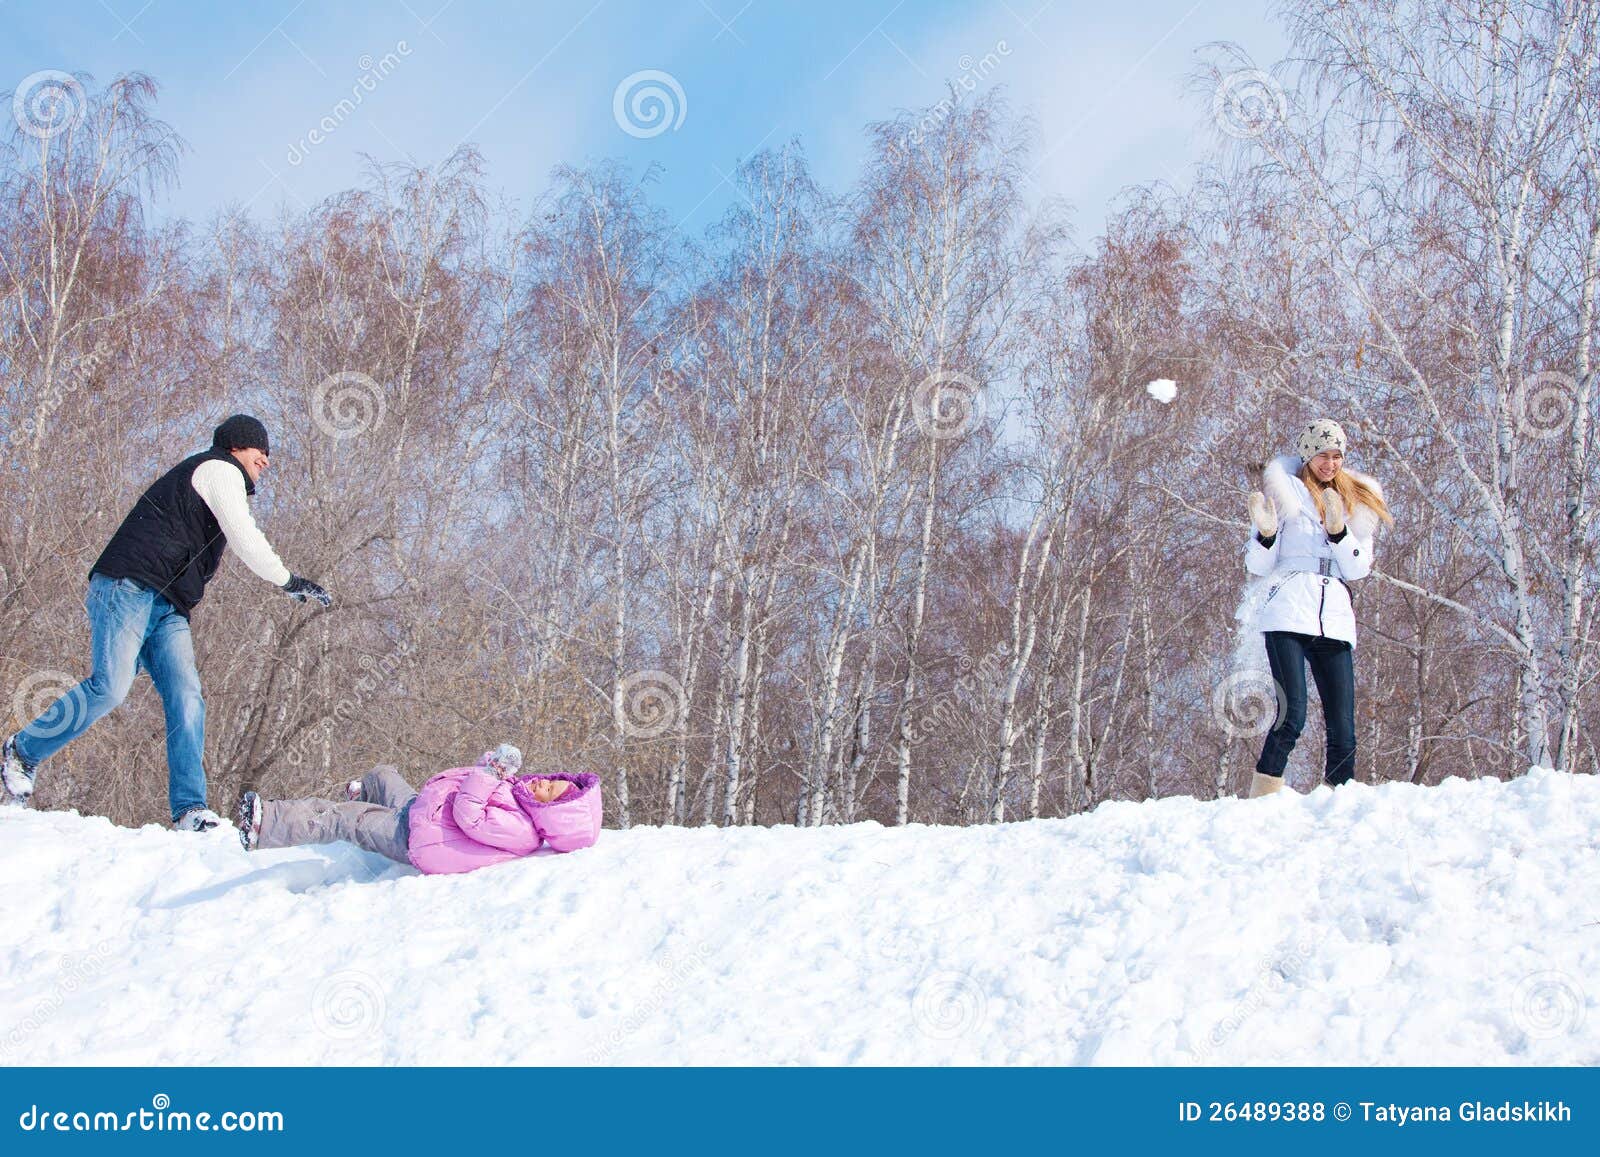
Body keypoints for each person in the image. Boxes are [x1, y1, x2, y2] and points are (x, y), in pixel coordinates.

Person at [2, 415, 331, 828]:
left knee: (187, 697)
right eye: (259, 450)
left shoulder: (221, 477)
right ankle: (22, 752)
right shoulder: (218, 469)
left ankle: (190, 809)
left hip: (168, 605)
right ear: (235, 446)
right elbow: (245, 536)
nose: (266, 460)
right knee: (111, 687)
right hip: (128, 585)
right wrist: (288, 580)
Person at [1242, 418, 1394, 797]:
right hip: (1289, 613)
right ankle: (1262, 798)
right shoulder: (1284, 495)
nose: (1330, 463)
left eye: (1337, 456)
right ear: (1308, 456)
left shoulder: (1356, 500)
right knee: (1292, 715)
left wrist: (1339, 532)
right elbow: (1257, 565)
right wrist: (1266, 535)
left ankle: (1338, 802)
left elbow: (1357, 569)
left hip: (1334, 621)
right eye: (1323, 455)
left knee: (1344, 728)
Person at [235, 744, 603, 874]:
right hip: (422, 811)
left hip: (417, 838)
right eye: (550, 780)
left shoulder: (521, 832)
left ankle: (264, 825)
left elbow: (469, 814)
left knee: (341, 818)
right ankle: (366, 797)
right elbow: (475, 784)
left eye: (548, 791)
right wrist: (490, 766)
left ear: (550, 814)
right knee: (382, 774)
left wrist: (489, 774)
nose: (542, 782)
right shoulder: (518, 796)